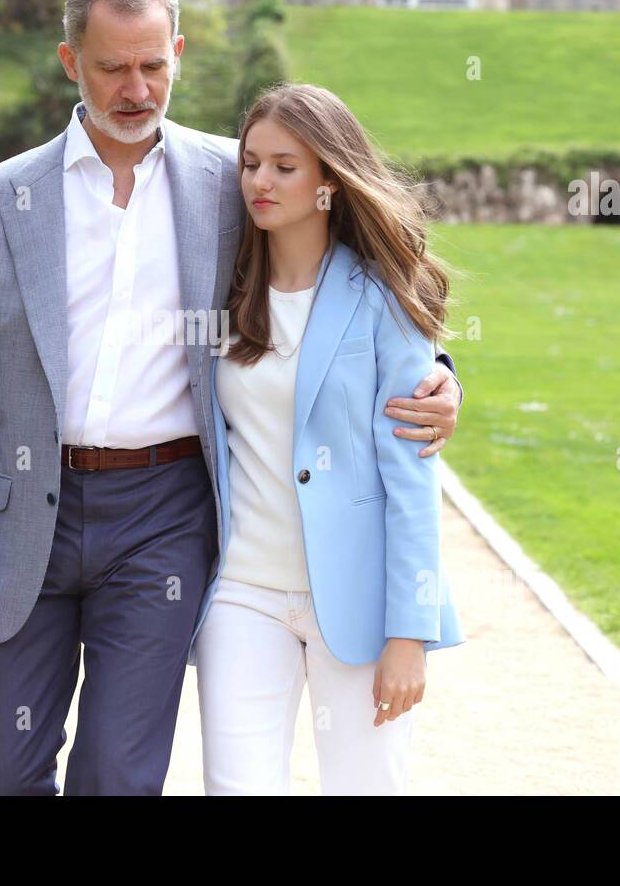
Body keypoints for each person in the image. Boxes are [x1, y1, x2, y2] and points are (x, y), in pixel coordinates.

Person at [0, 0, 464, 796]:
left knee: (120, 774)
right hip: (26, 516)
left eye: (153, 66)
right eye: (111, 68)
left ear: (178, 53)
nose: (136, 89)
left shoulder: (231, 181)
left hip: (164, 515)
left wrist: (439, 375)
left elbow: (353, 268)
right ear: (70, 62)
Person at [193, 82, 466, 795]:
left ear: (329, 182)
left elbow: (411, 478)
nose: (260, 180)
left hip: (360, 604)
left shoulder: (384, 297)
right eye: (251, 162)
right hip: (242, 594)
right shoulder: (219, 293)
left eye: (286, 166)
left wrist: (410, 633)